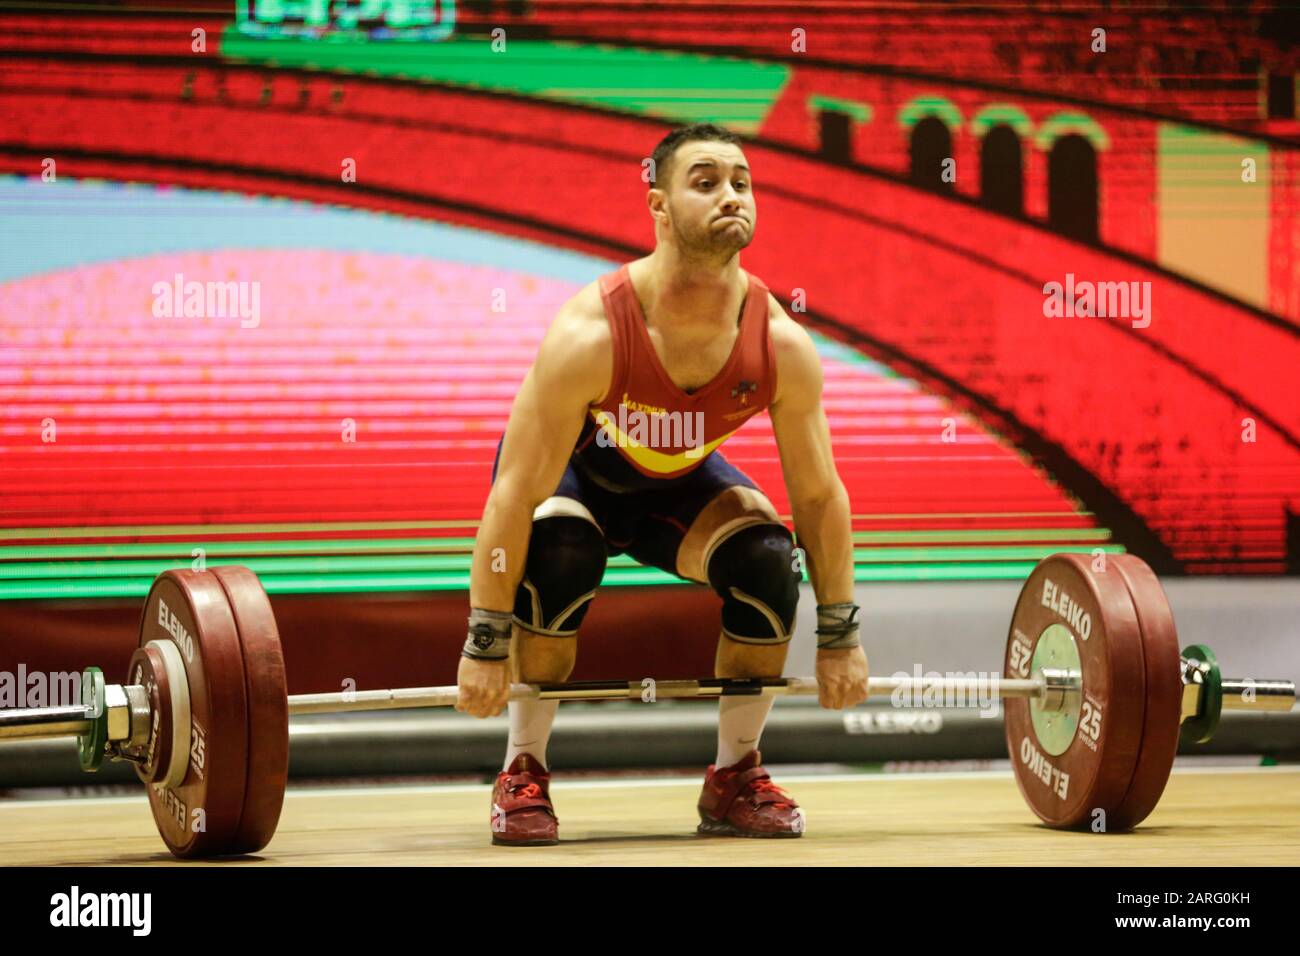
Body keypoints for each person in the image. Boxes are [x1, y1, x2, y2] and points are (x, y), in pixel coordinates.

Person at [456, 122, 870, 845]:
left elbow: (818, 497)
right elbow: (513, 495)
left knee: (768, 561)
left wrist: (839, 633)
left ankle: (734, 778)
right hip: (575, 478)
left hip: (672, 489)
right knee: (560, 554)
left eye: (741, 181)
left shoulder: (779, 344)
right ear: (658, 205)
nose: (730, 195)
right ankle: (523, 769)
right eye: (705, 182)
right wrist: (485, 641)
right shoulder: (592, 331)